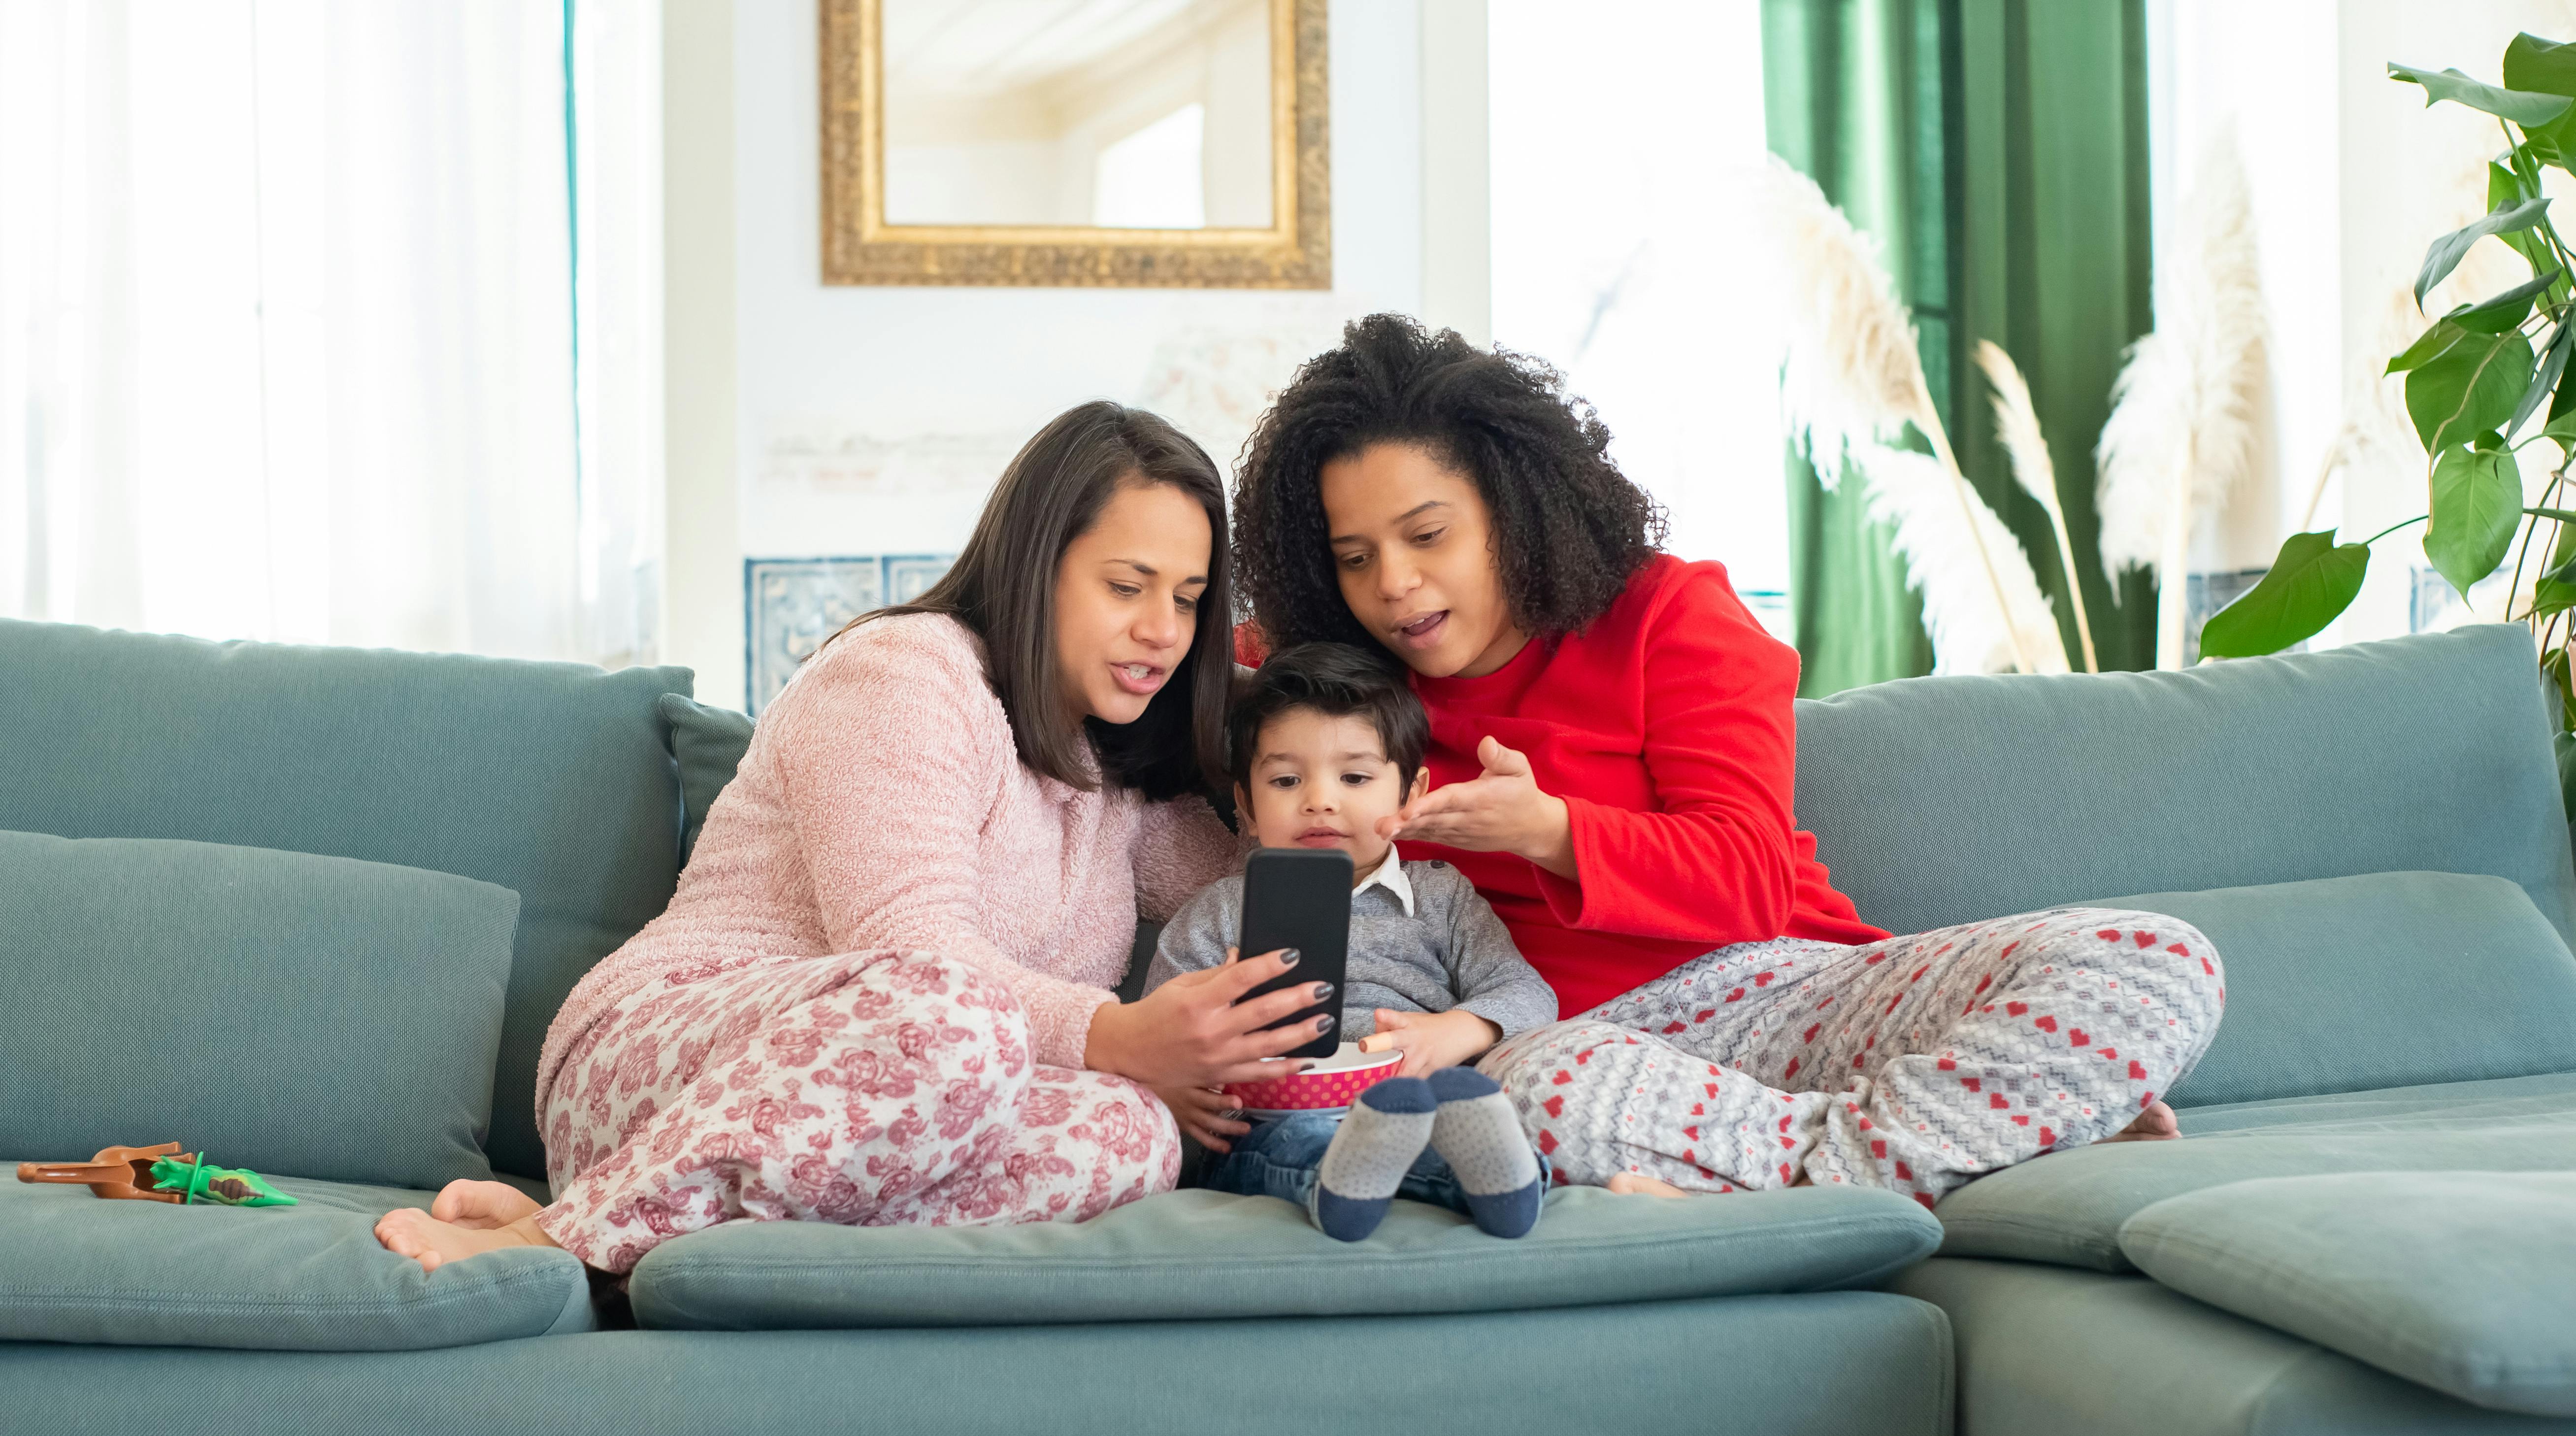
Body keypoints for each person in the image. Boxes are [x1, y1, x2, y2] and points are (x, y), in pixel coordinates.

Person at [1229, 315, 2224, 1208]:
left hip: (1789, 992)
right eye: (1353, 557)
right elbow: (1158, 673)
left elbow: (1749, 878)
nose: (1393, 584)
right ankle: (1969, 1142)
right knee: (1521, 1102)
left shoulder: (1668, 612)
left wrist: (1551, 831)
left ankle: (1823, 1173)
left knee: (2156, 962)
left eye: (1427, 534)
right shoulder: (1332, 697)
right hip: (1592, 1053)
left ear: (1513, 504)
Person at [375, 403, 1335, 1274]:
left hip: (870, 1132)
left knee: (1135, 1133)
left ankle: (630, 1219)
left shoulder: (1119, 775)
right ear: (1037, 565)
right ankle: (549, 1240)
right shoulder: (904, 674)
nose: (1161, 630)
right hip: (655, 1063)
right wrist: (1109, 1032)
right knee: (958, 1015)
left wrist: (1297, 730)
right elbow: (908, 947)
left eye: (1188, 598)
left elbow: (1276, 884)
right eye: (1127, 585)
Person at [1146, 643, 1557, 1241]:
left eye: (1355, 777)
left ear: (1410, 795)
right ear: (1247, 805)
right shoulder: (1218, 913)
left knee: (1449, 1125)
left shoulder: (1441, 898)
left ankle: (1508, 1181)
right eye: (1286, 779)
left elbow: (1525, 989)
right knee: (1284, 1145)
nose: (1320, 799)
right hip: (1274, 1114)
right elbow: (1159, 1028)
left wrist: (1458, 1030)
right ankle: (1335, 1183)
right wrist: (1187, 1084)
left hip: (1412, 1102)